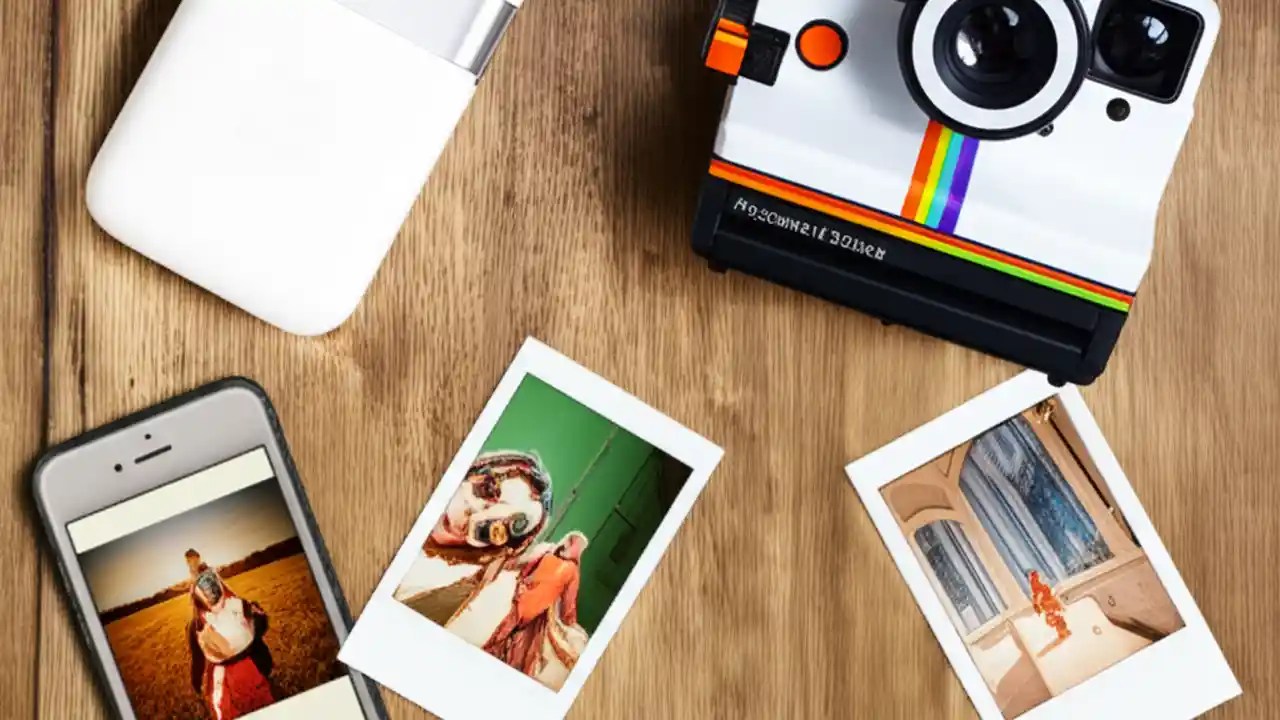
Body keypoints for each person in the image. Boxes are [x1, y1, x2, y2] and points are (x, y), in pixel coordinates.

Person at [483, 532, 589, 684]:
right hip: (523, 595)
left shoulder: (571, 570)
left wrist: (569, 620)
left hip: (535, 605)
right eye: (569, 540)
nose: (567, 543)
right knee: (506, 631)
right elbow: (528, 568)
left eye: (572, 542)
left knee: (516, 638)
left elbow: (568, 600)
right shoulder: (549, 553)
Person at [185, 549, 274, 719]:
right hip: (235, 675)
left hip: (253, 667)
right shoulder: (197, 624)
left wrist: (257, 616)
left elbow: (258, 630)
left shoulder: (237, 605)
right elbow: (198, 658)